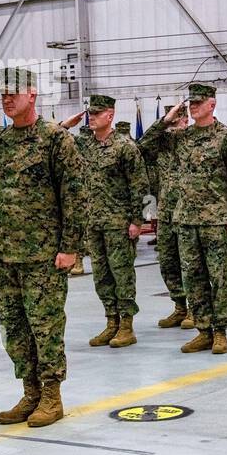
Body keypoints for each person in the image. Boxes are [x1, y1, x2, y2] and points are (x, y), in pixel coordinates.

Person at [0, 66, 87, 428]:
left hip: (43, 256)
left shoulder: (56, 139)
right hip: (4, 253)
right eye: (2, 94)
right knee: (14, 328)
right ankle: (30, 392)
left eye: (13, 93)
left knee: (46, 326)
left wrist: (70, 248)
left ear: (33, 94)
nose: (6, 99)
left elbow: (76, 197)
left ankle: (52, 396)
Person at [139, 83, 227, 353]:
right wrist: (166, 120)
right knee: (194, 277)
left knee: (218, 278)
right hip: (186, 221)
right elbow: (144, 146)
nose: (193, 107)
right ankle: (203, 330)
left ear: (212, 104)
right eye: (191, 103)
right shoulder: (182, 137)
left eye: (199, 102)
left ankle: (220, 331)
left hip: (215, 220)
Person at [61, 95, 149, 348]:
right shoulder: (85, 145)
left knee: (122, 275)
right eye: (90, 113)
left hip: (119, 224)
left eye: (97, 114)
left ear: (109, 116)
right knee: (101, 276)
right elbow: (54, 137)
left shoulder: (125, 147)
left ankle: (126, 326)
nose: (91, 117)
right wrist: (69, 122)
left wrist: (137, 221)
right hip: (94, 222)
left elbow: (141, 186)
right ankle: (111, 322)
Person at [139, 104, 192, 327]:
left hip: (190, 213)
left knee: (191, 264)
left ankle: (197, 310)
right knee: (168, 263)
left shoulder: (194, 141)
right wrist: (164, 122)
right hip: (167, 214)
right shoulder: (161, 145)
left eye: (176, 121)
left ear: (186, 120)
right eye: (169, 123)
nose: (172, 127)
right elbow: (141, 145)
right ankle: (180, 307)